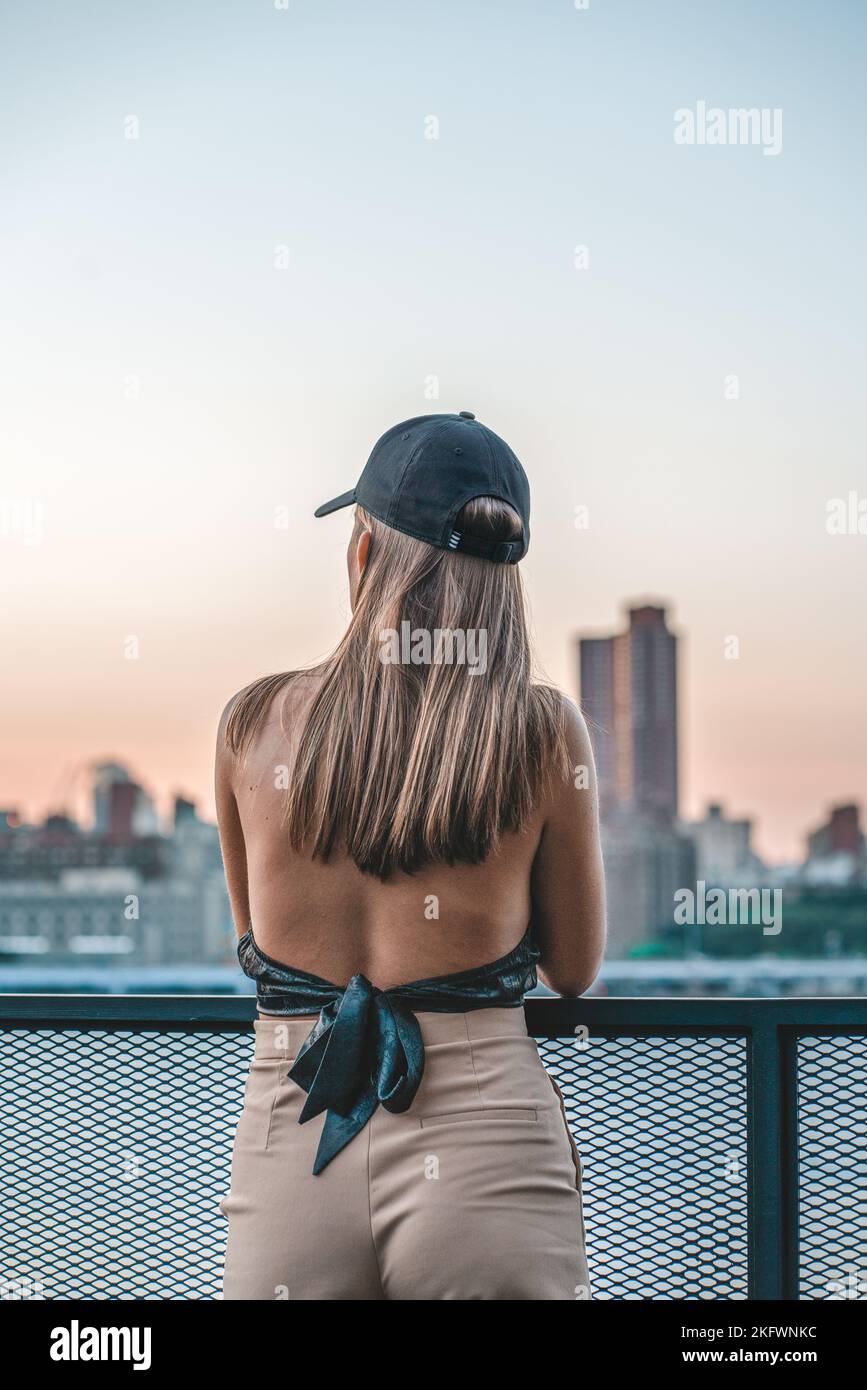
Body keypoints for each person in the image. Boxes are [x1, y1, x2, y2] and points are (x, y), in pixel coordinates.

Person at [215, 410, 606, 1300]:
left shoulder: (250, 724)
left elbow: (256, 947)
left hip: (296, 1119)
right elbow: (574, 970)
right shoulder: (544, 732)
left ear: (364, 556)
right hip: (484, 1135)